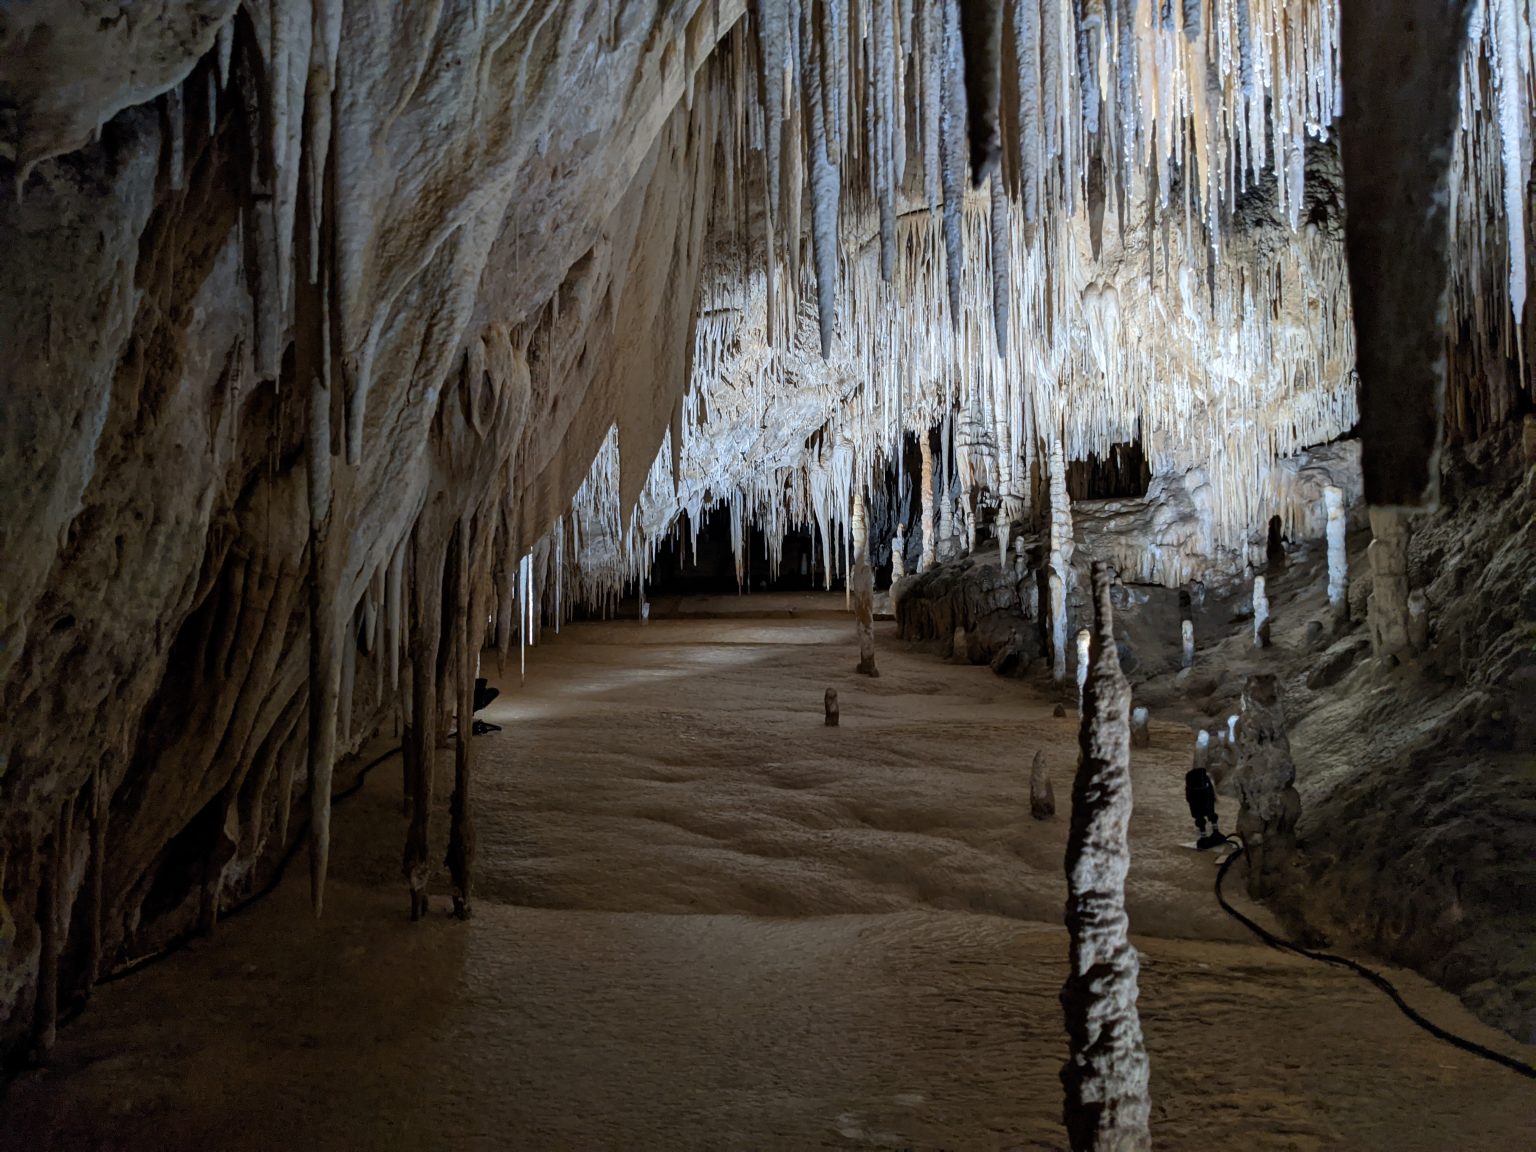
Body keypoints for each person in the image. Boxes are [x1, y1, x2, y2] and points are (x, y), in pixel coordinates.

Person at [1184, 761, 1221, 847]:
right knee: (1204, 813)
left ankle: (1208, 834)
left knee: (1203, 813)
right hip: (1200, 787)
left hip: (1200, 787)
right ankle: (1211, 832)